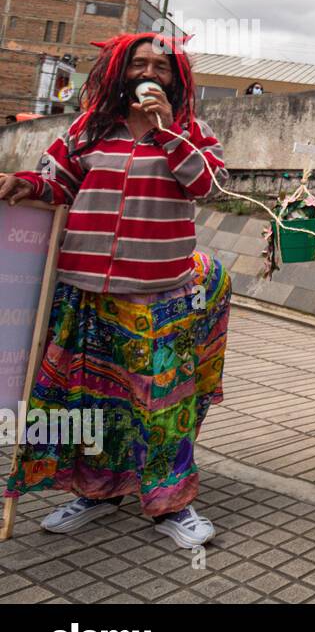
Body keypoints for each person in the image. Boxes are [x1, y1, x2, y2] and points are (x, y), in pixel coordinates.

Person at [0, 32, 231, 549]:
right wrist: (28, 186)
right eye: (138, 63)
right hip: (82, 292)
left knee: (162, 404)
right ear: (117, 70)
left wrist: (168, 132)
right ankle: (96, 493)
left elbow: (208, 186)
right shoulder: (88, 129)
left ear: (177, 80)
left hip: (158, 296)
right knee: (89, 403)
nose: (148, 73)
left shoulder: (193, 131)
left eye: (161, 67)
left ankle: (172, 503)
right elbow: (57, 182)